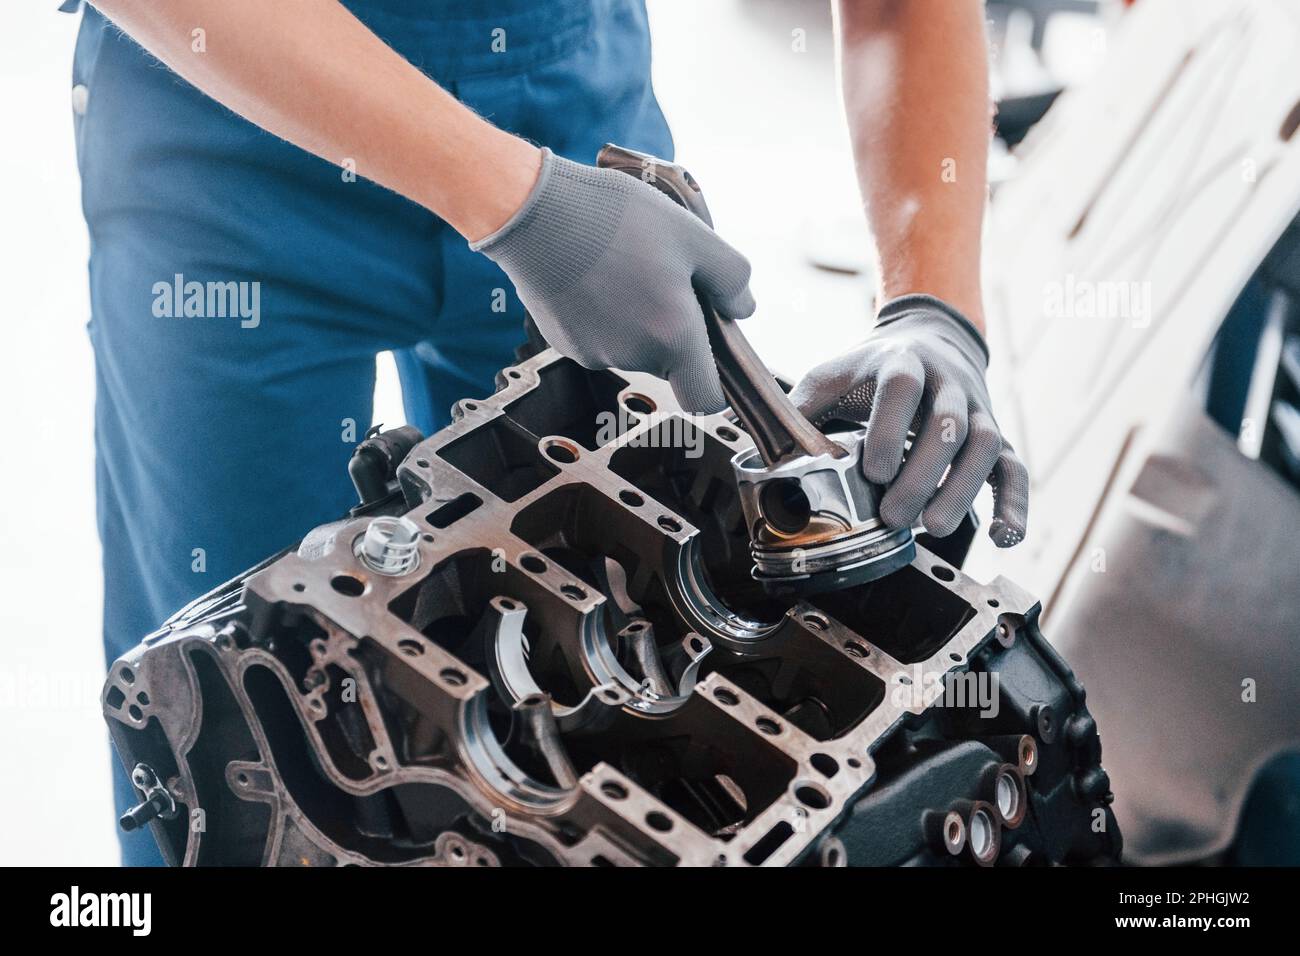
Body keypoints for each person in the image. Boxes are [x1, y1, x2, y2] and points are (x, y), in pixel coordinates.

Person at [70, 0, 1028, 865]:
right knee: (237, 693)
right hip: (237, 107)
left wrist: (934, 302)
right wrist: (514, 203)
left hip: (566, 118)